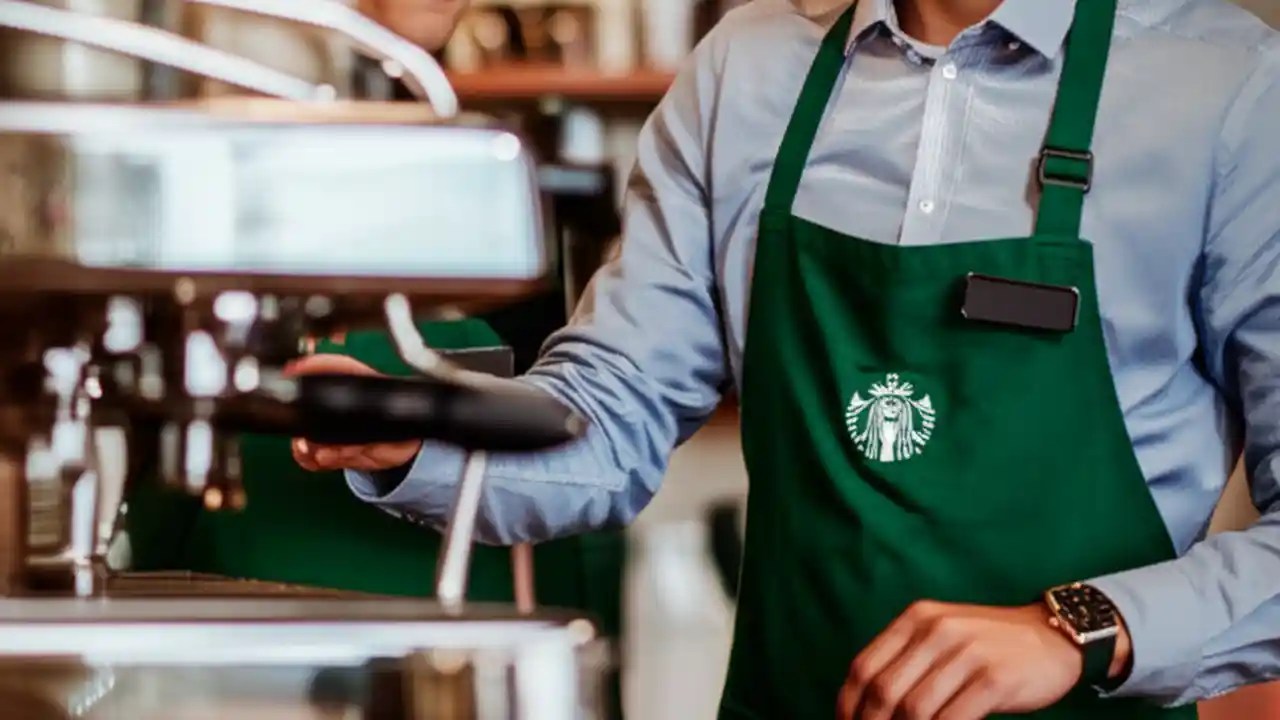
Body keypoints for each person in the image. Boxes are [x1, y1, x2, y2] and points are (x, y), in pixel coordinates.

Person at [292, 0, 1280, 717]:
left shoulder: (1222, 87)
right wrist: (415, 436)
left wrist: (1074, 627)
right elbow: (609, 421)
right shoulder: (747, 72)